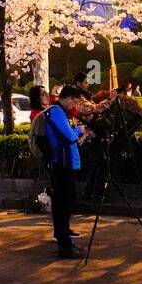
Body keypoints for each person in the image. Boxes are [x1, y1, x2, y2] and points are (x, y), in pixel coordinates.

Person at [45, 86, 87, 258]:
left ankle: (66, 242)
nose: (75, 106)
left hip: (67, 163)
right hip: (62, 165)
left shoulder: (60, 113)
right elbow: (68, 136)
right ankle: (64, 245)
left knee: (67, 203)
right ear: (69, 98)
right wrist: (79, 130)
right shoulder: (55, 112)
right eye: (75, 102)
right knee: (63, 204)